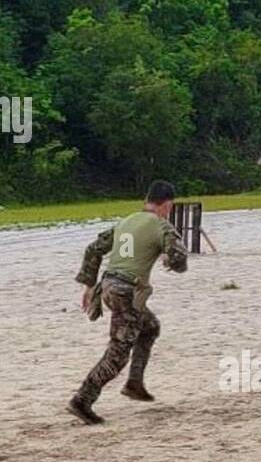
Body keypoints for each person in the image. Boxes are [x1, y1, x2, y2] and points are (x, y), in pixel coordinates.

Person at [68, 179, 188, 424]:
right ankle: (82, 399)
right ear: (168, 205)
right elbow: (179, 260)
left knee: (150, 327)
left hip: (109, 287)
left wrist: (89, 285)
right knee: (118, 352)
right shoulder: (162, 226)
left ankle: (135, 383)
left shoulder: (126, 221)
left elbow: (93, 249)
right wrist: (169, 260)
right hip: (128, 292)